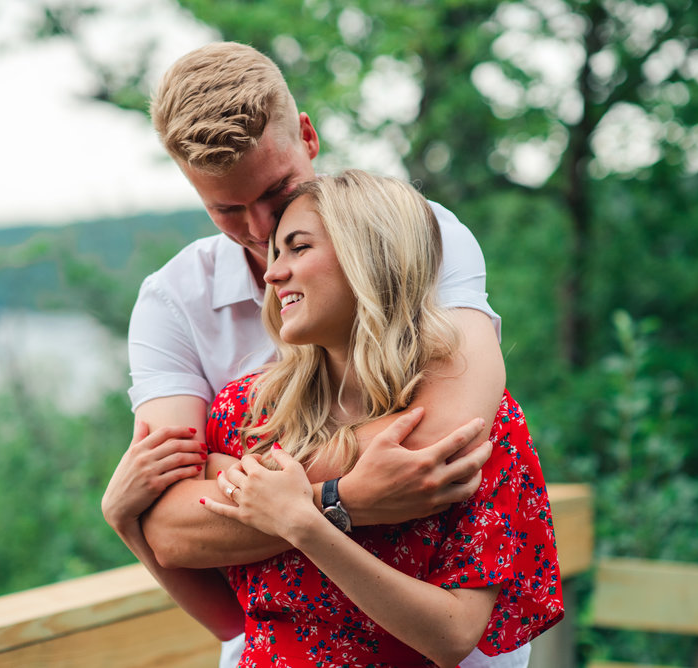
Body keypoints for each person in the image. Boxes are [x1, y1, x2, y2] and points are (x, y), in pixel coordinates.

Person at [100, 41, 524, 666]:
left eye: (278, 193)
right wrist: (340, 500)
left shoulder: (420, 236)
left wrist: (239, 475)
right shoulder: (173, 305)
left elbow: (445, 438)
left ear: (307, 135)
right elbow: (171, 526)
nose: (260, 230)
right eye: (225, 210)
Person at [197, 169, 563, 667]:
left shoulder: (482, 424)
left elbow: (453, 634)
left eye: (298, 248)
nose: (271, 273)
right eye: (276, 252)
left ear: (370, 255)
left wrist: (307, 523)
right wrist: (127, 522)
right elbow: (198, 562)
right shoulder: (246, 413)